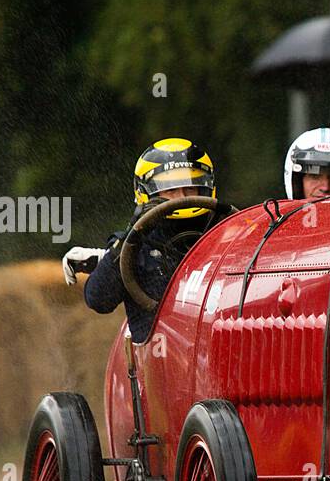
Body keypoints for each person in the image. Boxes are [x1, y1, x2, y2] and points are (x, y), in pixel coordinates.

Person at [63, 138, 226, 344]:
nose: (181, 198)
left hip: (215, 349)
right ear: (146, 194)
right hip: (158, 362)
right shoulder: (135, 245)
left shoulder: (225, 233)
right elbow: (99, 300)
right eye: (170, 190)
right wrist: (129, 238)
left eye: (190, 188)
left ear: (206, 187)